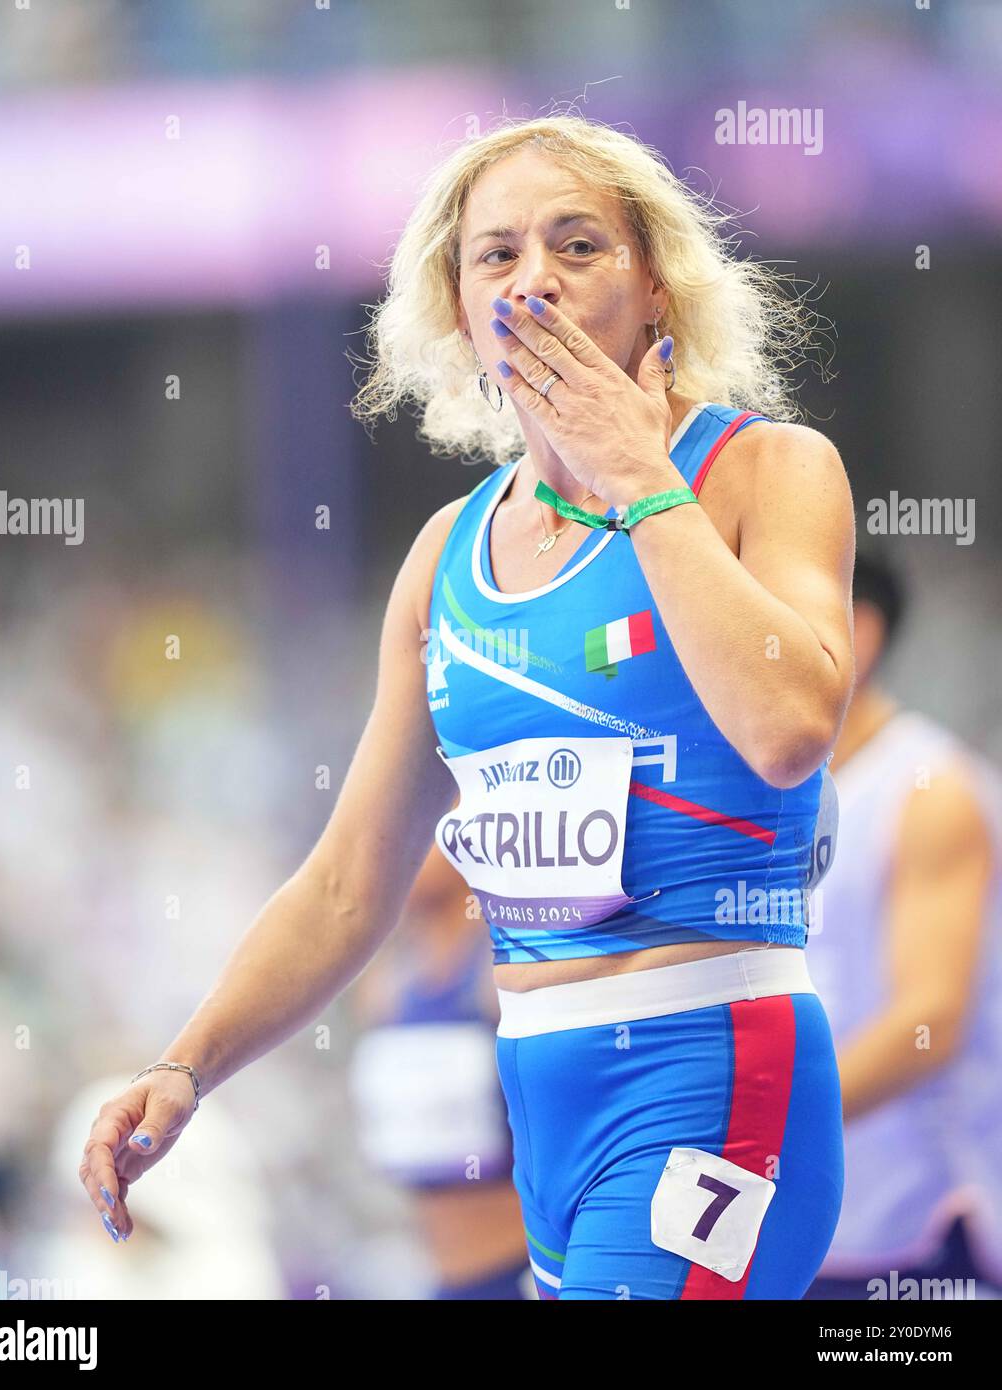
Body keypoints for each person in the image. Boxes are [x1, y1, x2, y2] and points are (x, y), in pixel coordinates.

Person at [79, 113, 855, 1300]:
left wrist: (641, 478)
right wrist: (187, 1066)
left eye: (578, 243)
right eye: (497, 255)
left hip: (713, 1067)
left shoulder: (768, 470)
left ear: (656, 282)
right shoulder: (449, 556)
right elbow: (349, 882)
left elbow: (792, 727)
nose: (535, 277)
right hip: (543, 1110)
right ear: (457, 306)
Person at [803, 552, 1002, 1299]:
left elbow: (929, 1022)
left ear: (858, 633)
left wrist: (761, 1129)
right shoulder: (760, 796)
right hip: (797, 1225)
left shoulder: (928, 791)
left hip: (916, 1233)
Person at [348, 840, 530, 1299]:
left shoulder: (510, 968)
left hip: (521, 1268)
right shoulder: (385, 983)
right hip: (443, 1275)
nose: (394, 846)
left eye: (421, 825)